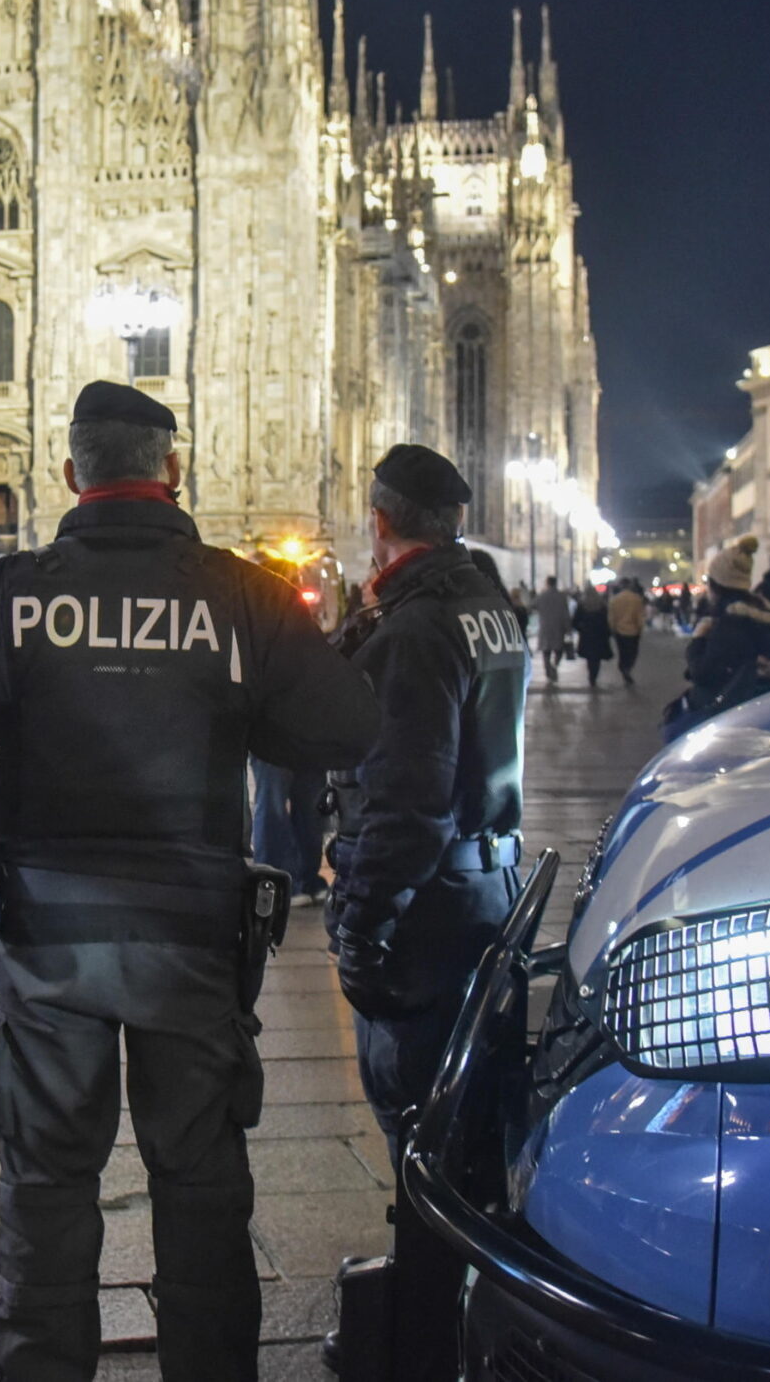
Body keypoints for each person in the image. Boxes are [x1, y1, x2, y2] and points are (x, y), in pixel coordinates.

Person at [0, 380, 380, 1382]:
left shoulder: (14, 593)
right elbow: (346, 727)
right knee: (201, 1186)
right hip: (192, 938)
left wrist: (8, 694)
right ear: (172, 470)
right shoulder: (241, 595)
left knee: (48, 1183)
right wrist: (238, 716)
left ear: (69, 474)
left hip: (49, 938)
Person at [323, 442, 529, 1382]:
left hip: (429, 910)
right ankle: (457, 1328)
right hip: (486, 892)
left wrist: (362, 922)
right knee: (468, 1136)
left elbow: (405, 797)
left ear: (379, 517)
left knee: (419, 1139)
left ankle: (421, 1344)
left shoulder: (414, 630)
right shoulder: (489, 607)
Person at [668, 536, 770, 740]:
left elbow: (702, 672)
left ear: (717, 586)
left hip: (728, 717)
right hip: (762, 709)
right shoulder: (765, 613)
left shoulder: (730, 622)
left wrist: (697, 640)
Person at [250, 759, 328, 903]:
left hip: (313, 742)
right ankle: (274, 883)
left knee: (311, 808)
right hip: (272, 743)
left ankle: (307, 880)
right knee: (273, 805)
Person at [607, 576, 650, 687]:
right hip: (633, 630)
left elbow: (612, 617)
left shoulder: (615, 600)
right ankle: (628, 668)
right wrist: (640, 628)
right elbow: (640, 616)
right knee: (633, 652)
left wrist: (612, 628)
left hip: (619, 630)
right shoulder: (636, 599)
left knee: (622, 651)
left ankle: (623, 667)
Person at [569, 583, 613, 688]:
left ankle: (591, 676)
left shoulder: (582, 605)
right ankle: (594, 675)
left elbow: (575, 621)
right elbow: (607, 621)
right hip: (600, 635)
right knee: (597, 658)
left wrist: (581, 629)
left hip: (587, 635)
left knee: (590, 657)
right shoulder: (602, 605)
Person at [531, 575, 572, 687]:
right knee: (559, 649)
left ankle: (548, 670)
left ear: (547, 583)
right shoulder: (562, 596)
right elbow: (566, 613)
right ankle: (555, 665)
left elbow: (532, 605)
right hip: (559, 627)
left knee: (546, 650)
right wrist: (568, 628)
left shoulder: (542, 596)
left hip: (545, 627)